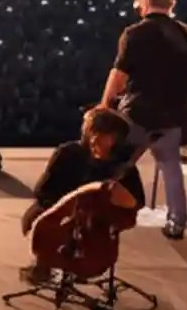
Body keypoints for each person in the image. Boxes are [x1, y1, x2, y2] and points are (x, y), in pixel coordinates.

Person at [97, 0, 187, 240]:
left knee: (115, 164)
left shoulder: (134, 33)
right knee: (171, 167)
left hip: (138, 113)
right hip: (173, 115)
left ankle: (102, 214)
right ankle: (177, 223)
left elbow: (119, 76)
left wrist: (104, 106)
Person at [19, 107, 145, 285]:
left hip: (95, 223)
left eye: (104, 134)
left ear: (115, 139)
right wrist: (62, 210)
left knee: (87, 239)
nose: (95, 138)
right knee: (40, 221)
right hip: (58, 210)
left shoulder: (123, 167)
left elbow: (135, 204)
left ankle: (79, 267)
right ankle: (45, 262)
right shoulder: (68, 152)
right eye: (92, 132)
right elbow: (43, 190)